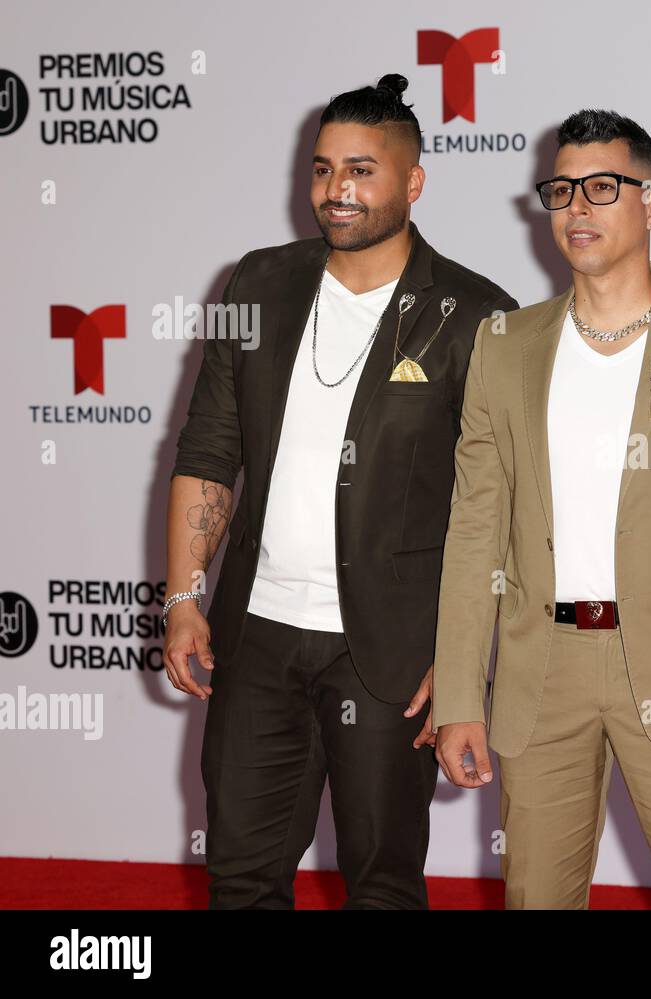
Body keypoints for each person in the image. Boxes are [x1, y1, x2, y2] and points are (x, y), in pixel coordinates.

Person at [419, 109, 651, 909]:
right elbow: (475, 527)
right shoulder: (503, 343)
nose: (576, 208)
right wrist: (458, 694)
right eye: (561, 190)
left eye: (602, 188)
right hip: (539, 669)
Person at [163, 74, 517, 908]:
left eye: (361, 170)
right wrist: (184, 594)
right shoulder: (257, 284)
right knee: (241, 877)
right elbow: (209, 449)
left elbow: (502, 508)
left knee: (382, 885)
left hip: (390, 656)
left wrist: (464, 655)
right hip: (256, 640)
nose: (337, 191)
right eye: (322, 171)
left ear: (413, 181)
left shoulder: (474, 314)